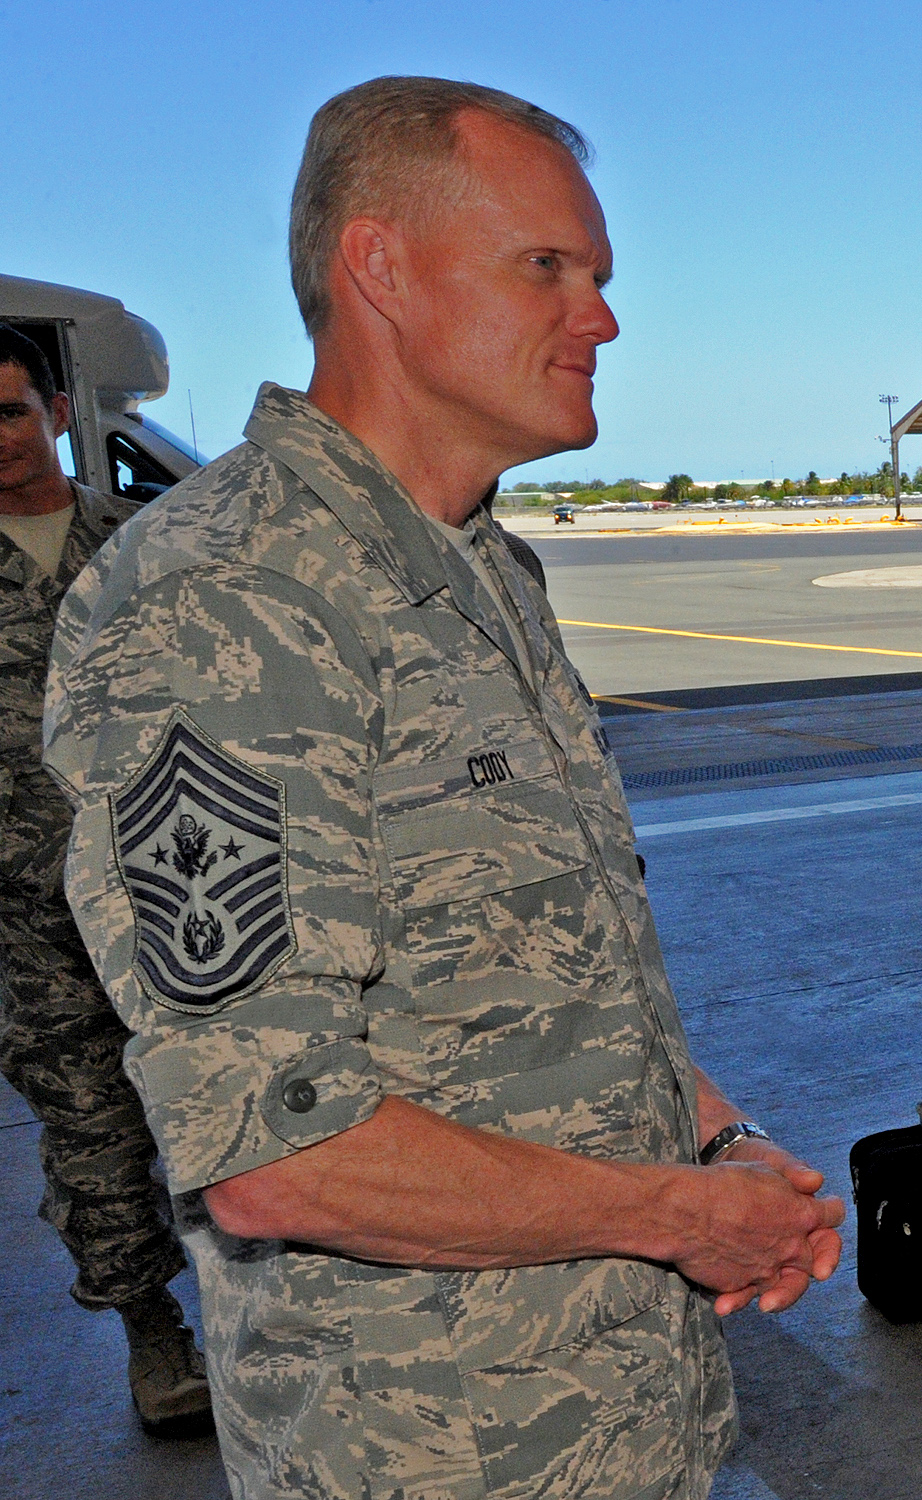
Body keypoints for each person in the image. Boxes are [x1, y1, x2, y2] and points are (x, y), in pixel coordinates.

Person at [41, 76, 843, 1499]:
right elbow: (284, 1155)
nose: (600, 317)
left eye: (598, 276)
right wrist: (681, 1215)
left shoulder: (481, 573)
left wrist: (725, 1143)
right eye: (549, 267)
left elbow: (545, 980)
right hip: (434, 1445)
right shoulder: (226, 605)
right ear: (380, 269)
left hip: (621, 1413)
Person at [0, 325, 210, 1435]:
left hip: (177, 894)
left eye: (8, 412)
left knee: (228, 1098)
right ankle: (153, 1338)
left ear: (58, 414)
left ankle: (257, 1308)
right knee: (92, 1131)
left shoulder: (146, 543)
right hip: (29, 921)